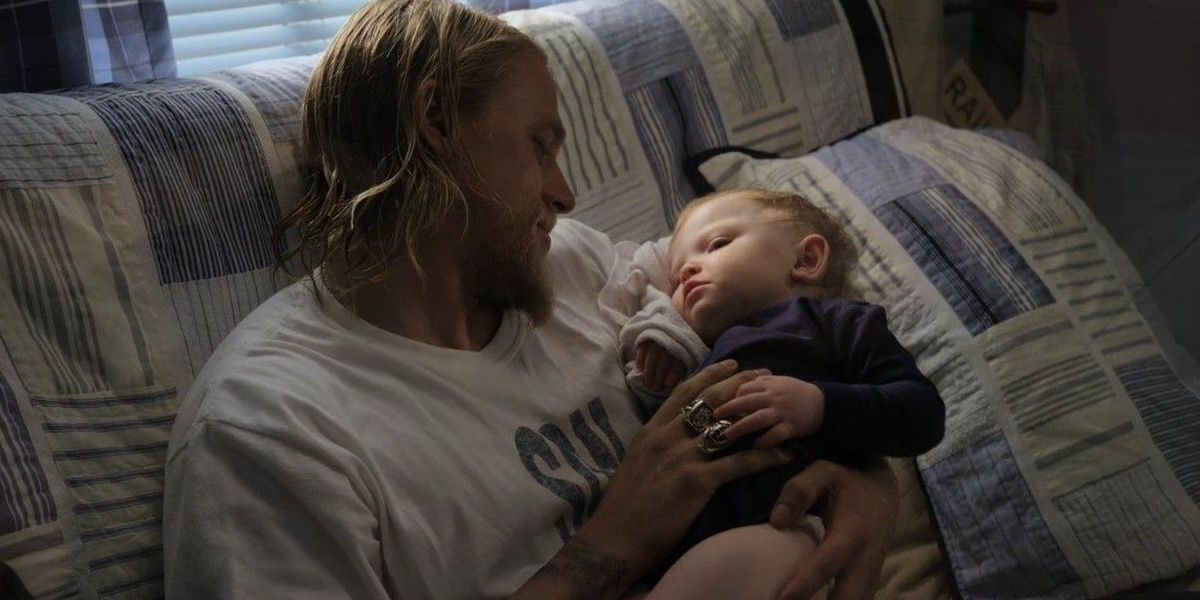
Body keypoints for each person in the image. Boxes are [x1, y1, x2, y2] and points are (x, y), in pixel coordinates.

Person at [161, 1, 900, 599]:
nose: (565, 193)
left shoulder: (572, 264)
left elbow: (783, 329)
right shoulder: (268, 430)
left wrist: (867, 480)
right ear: (437, 122)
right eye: (539, 146)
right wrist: (610, 545)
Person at [604, 190, 945, 592]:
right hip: (670, 548)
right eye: (677, 279)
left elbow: (923, 413)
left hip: (786, 527)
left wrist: (821, 405)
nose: (689, 270)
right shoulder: (700, 353)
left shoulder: (838, 322)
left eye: (717, 244)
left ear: (806, 260)